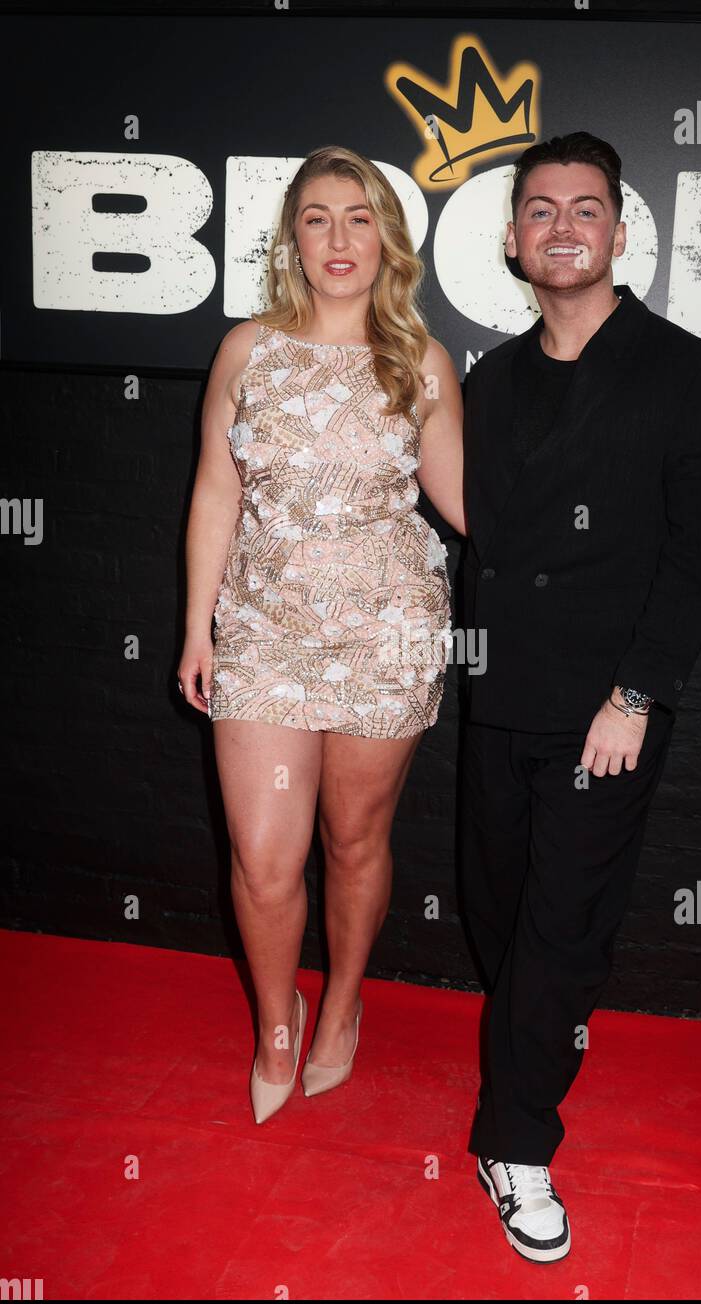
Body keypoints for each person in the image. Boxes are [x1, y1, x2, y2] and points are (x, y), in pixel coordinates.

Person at [458, 131, 701, 1262]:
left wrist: (635, 693)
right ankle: (528, 1040)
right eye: (540, 209)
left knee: (563, 923)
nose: (562, 226)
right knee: (498, 911)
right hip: (498, 699)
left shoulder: (685, 370)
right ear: (513, 239)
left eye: (585, 208)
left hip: (606, 710)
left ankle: (513, 1137)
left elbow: (696, 556)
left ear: (620, 233)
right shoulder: (489, 378)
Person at [178, 146, 464, 1124]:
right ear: (291, 239)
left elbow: (466, 503)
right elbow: (215, 490)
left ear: (385, 235)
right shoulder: (245, 347)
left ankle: (341, 1000)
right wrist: (196, 627)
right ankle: (274, 1018)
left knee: (353, 840)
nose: (337, 238)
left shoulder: (420, 362)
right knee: (262, 857)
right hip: (260, 630)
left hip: (387, 636)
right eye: (315, 217)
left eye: (357, 216)